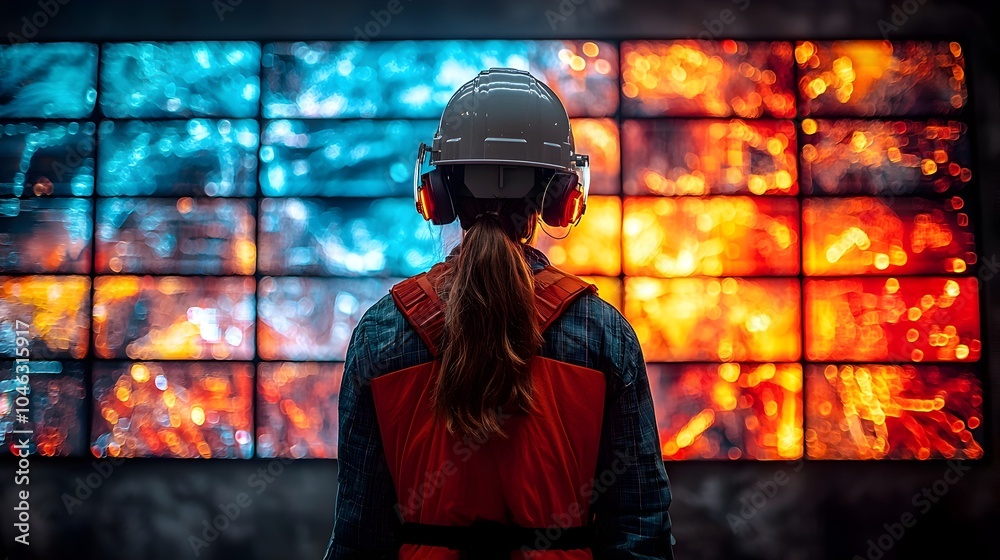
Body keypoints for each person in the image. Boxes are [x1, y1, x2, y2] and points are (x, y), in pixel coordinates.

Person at [324, 67, 674, 560]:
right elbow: (640, 535)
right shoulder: (604, 335)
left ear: (439, 192)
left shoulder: (382, 333)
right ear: (559, 196)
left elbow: (360, 538)